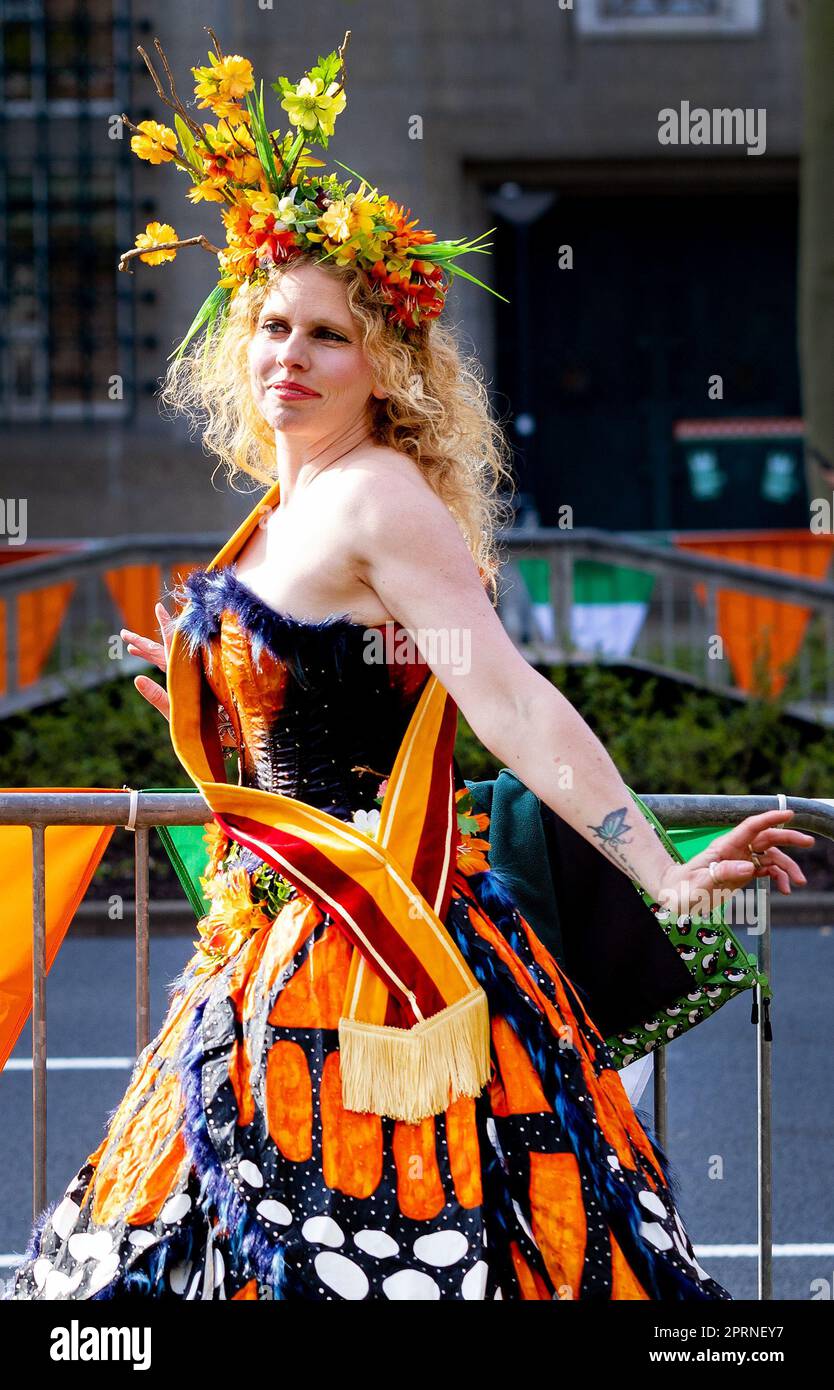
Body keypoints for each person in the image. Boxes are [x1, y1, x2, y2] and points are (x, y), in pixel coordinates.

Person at [5, 30, 812, 1303]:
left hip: (393, 960)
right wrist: (216, 699)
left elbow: (506, 691)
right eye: (272, 324)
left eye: (327, 334)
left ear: (383, 360)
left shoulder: (378, 497)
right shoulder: (282, 507)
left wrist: (660, 865)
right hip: (271, 950)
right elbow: (319, 706)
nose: (289, 355)